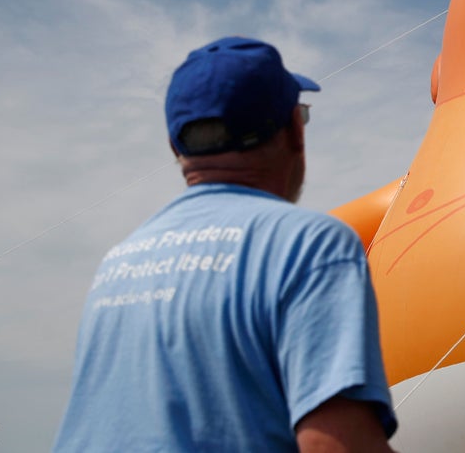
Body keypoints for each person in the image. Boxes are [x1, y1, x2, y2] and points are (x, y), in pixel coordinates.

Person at [53, 37, 397, 452]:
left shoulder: (117, 264)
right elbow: (335, 447)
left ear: (175, 146)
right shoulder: (311, 243)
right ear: (294, 129)